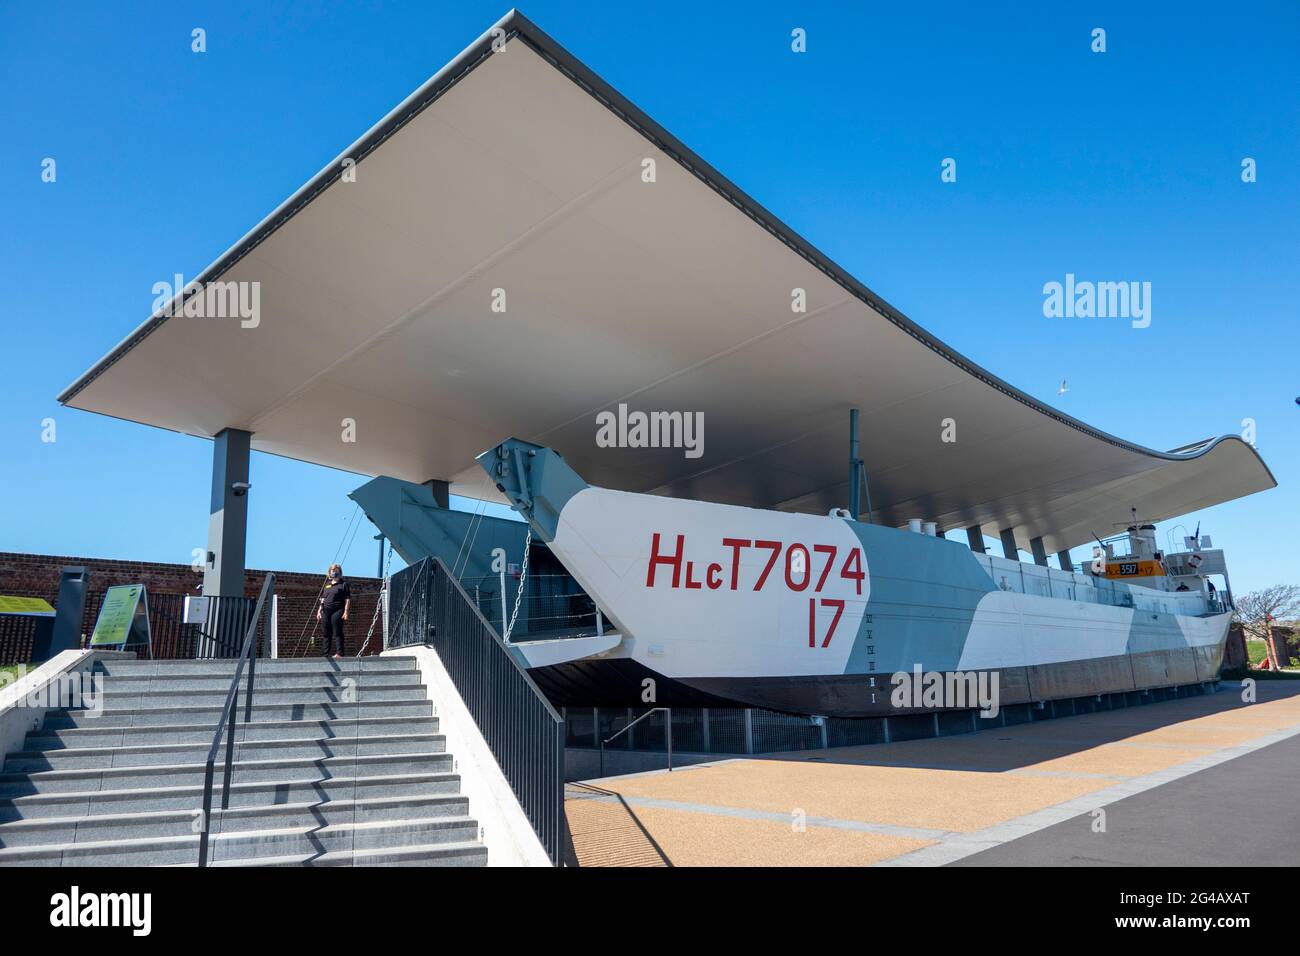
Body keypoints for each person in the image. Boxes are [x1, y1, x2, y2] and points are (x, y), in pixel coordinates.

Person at [317, 563, 351, 659]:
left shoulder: (343, 584)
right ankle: (325, 654)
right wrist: (319, 610)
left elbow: (347, 599)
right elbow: (323, 598)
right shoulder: (327, 585)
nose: (334, 572)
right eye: (332, 571)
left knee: (337, 630)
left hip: (338, 610)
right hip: (326, 610)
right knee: (326, 632)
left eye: (336, 571)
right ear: (329, 573)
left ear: (339, 572)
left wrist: (346, 611)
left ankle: (340, 653)